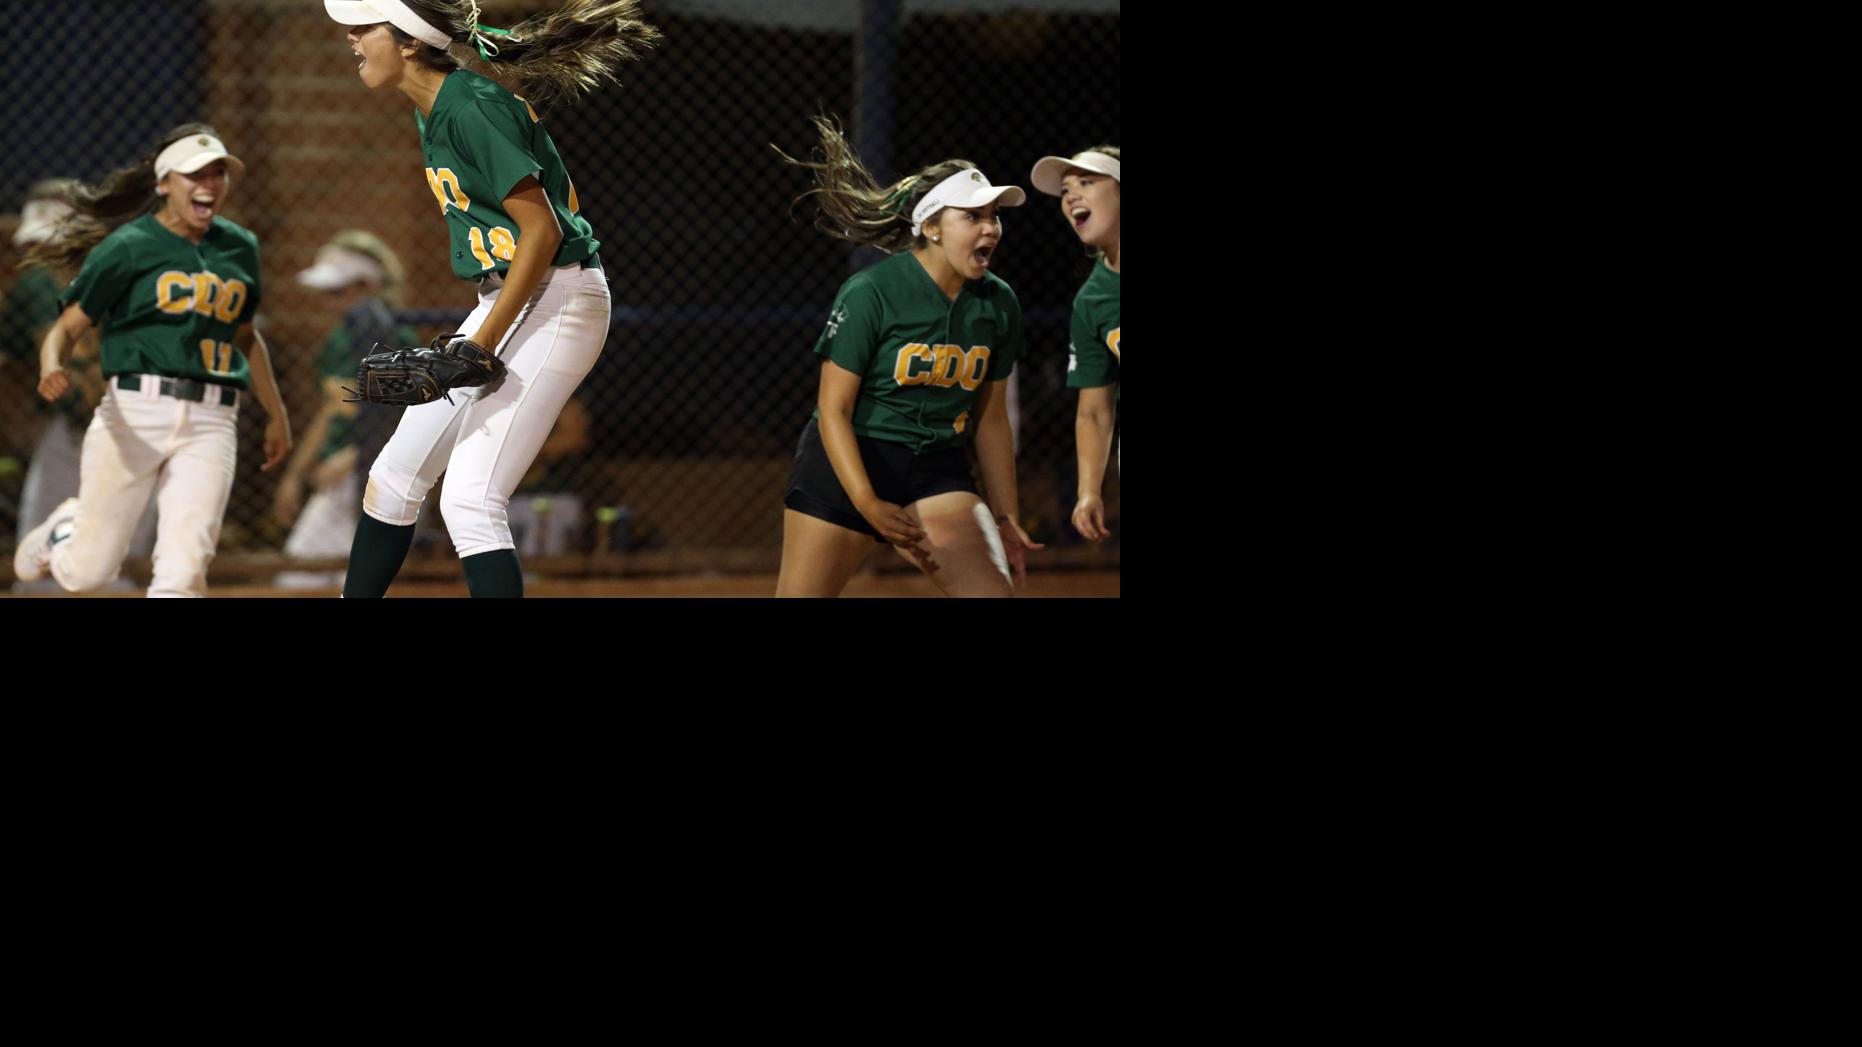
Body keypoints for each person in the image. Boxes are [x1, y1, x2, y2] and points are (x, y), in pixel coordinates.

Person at [322, 0, 658, 598]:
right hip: (516, 296)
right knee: (393, 478)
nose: (351, 36)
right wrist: (481, 337)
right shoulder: (436, 107)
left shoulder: (471, 106)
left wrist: (479, 345)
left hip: (559, 298)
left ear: (408, 42)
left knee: (471, 499)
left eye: (364, 26)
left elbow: (542, 232)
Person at [11, 125, 292, 597]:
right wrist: (52, 366)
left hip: (212, 418)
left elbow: (245, 335)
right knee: (88, 574)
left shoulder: (238, 246)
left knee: (185, 570)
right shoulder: (129, 245)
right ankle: (65, 529)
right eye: (194, 174)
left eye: (217, 172)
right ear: (164, 183)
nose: (209, 183)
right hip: (135, 411)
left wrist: (275, 411)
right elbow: (66, 328)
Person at [772, 114, 1044, 597]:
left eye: (994, 216)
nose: (991, 227)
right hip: (850, 464)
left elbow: (991, 419)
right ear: (932, 227)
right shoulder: (872, 291)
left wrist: (1005, 517)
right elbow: (834, 409)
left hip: (935, 470)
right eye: (973, 216)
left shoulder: (998, 302)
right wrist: (866, 501)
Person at [273, 230, 418, 589]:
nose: (329, 303)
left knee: (344, 578)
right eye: (326, 293)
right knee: (305, 578)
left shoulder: (397, 338)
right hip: (341, 479)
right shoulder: (341, 340)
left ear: (367, 286)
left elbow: (404, 419)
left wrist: (354, 456)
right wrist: (295, 474)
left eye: (338, 292)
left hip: (381, 470)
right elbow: (332, 410)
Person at [1030, 146, 1119, 542]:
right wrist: (1088, 491)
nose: (1071, 197)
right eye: (1065, 190)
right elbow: (1094, 411)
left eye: (1086, 182)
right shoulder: (1093, 300)